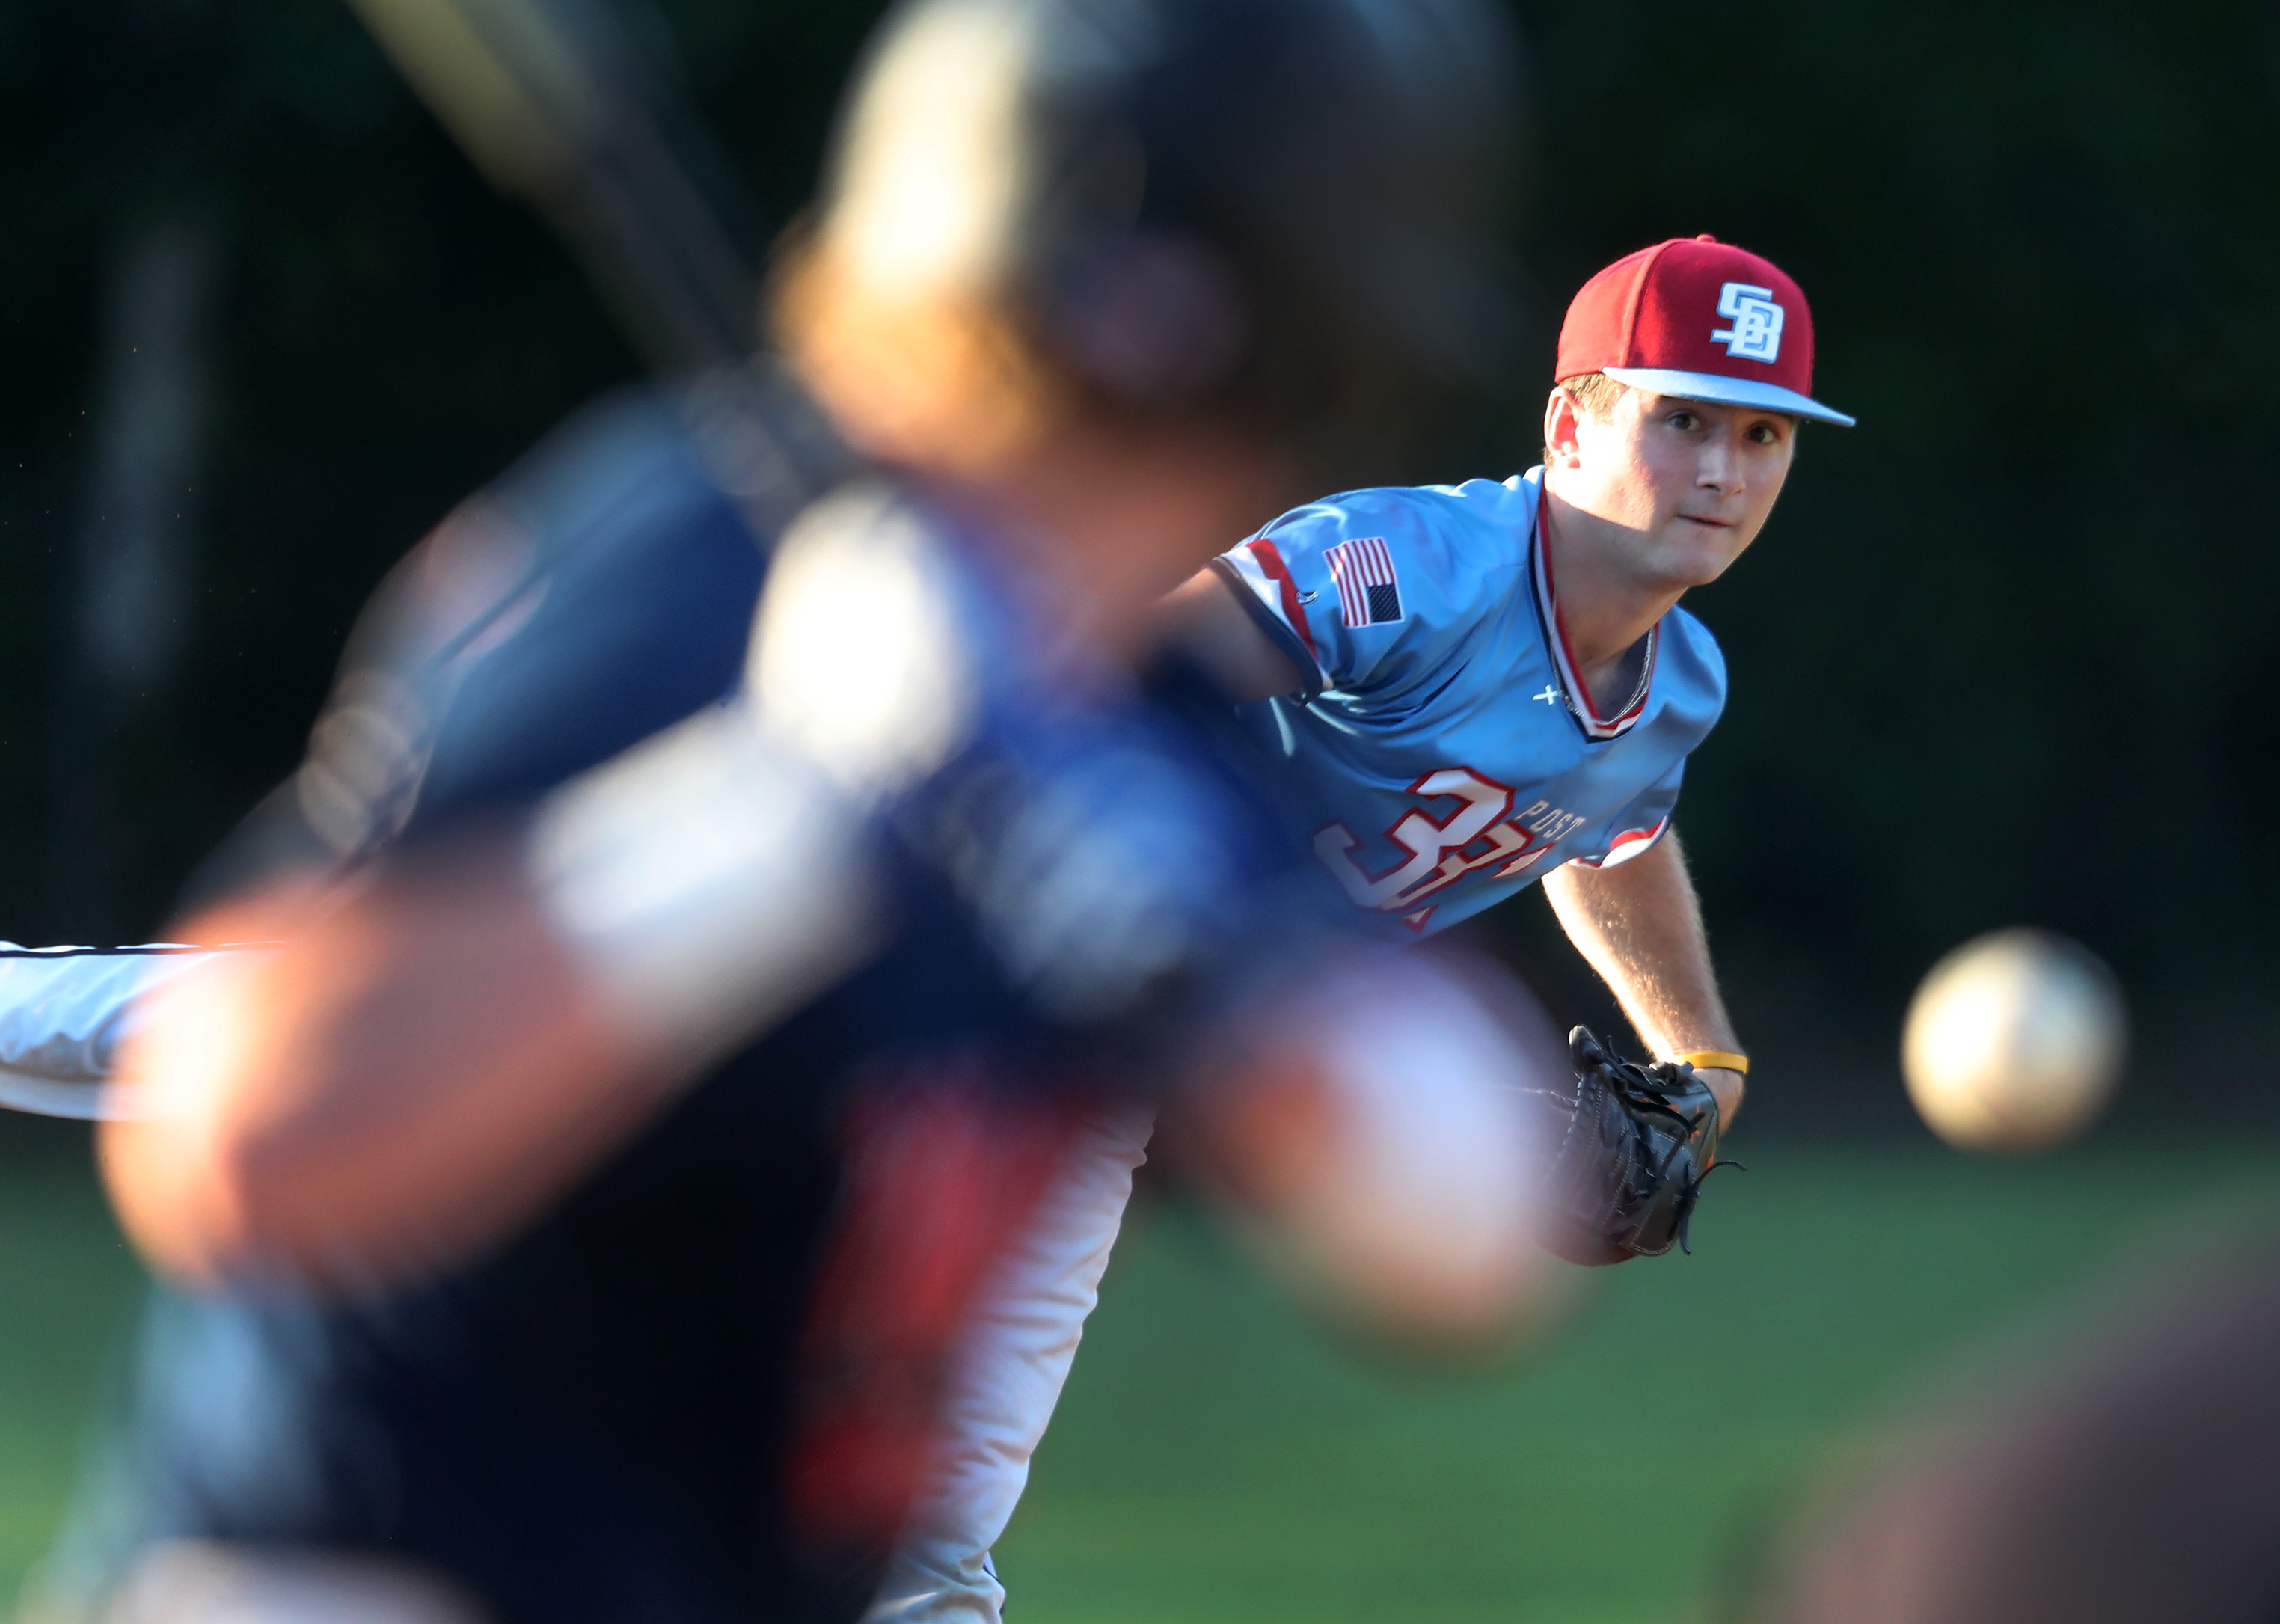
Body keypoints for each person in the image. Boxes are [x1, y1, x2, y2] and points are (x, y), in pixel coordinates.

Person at [37, 4, 1573, 1623]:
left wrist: (1199, 957)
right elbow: (252, 1134)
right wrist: (788, 810)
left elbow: (1463, 1243)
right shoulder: (692, 569)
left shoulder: (1150, 728)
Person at [872, 236, 1856, 1623]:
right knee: (902, 1526)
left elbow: (1608, 825)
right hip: (997, 1017)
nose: (1722, 470)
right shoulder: (1417, 564)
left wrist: (1704, 1053)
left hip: (1166, 1069)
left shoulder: (1678, 683)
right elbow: (1109, 685)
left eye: (1764, 434)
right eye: (1681, 416)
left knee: (890, 1501)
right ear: (1573, 422)